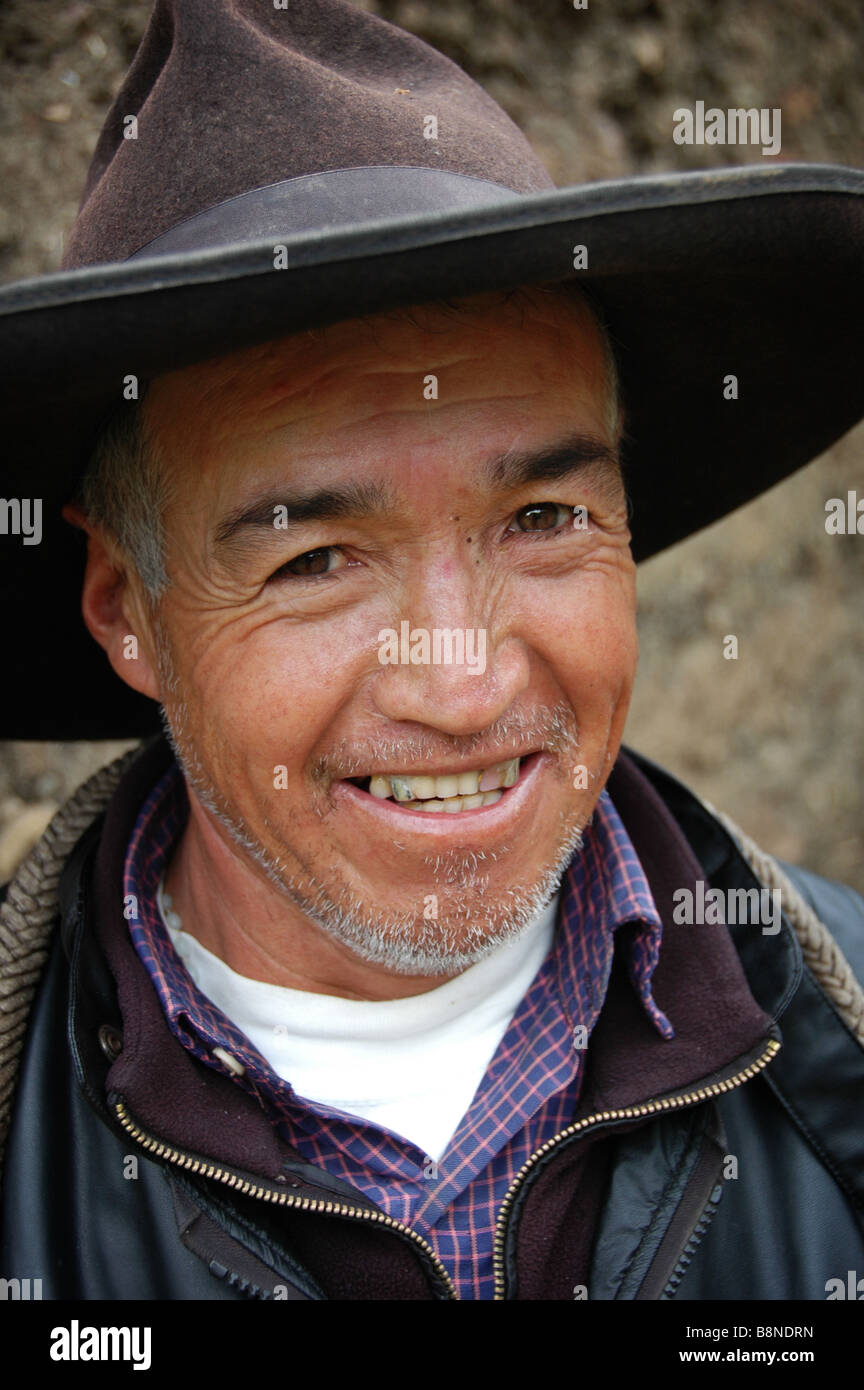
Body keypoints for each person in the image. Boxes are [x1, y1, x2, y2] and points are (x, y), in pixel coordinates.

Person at [0, 0, 862, 1302]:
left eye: (543, 518)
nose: (464, 685)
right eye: (315, 558)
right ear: (127, 605)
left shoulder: (842, 1034)